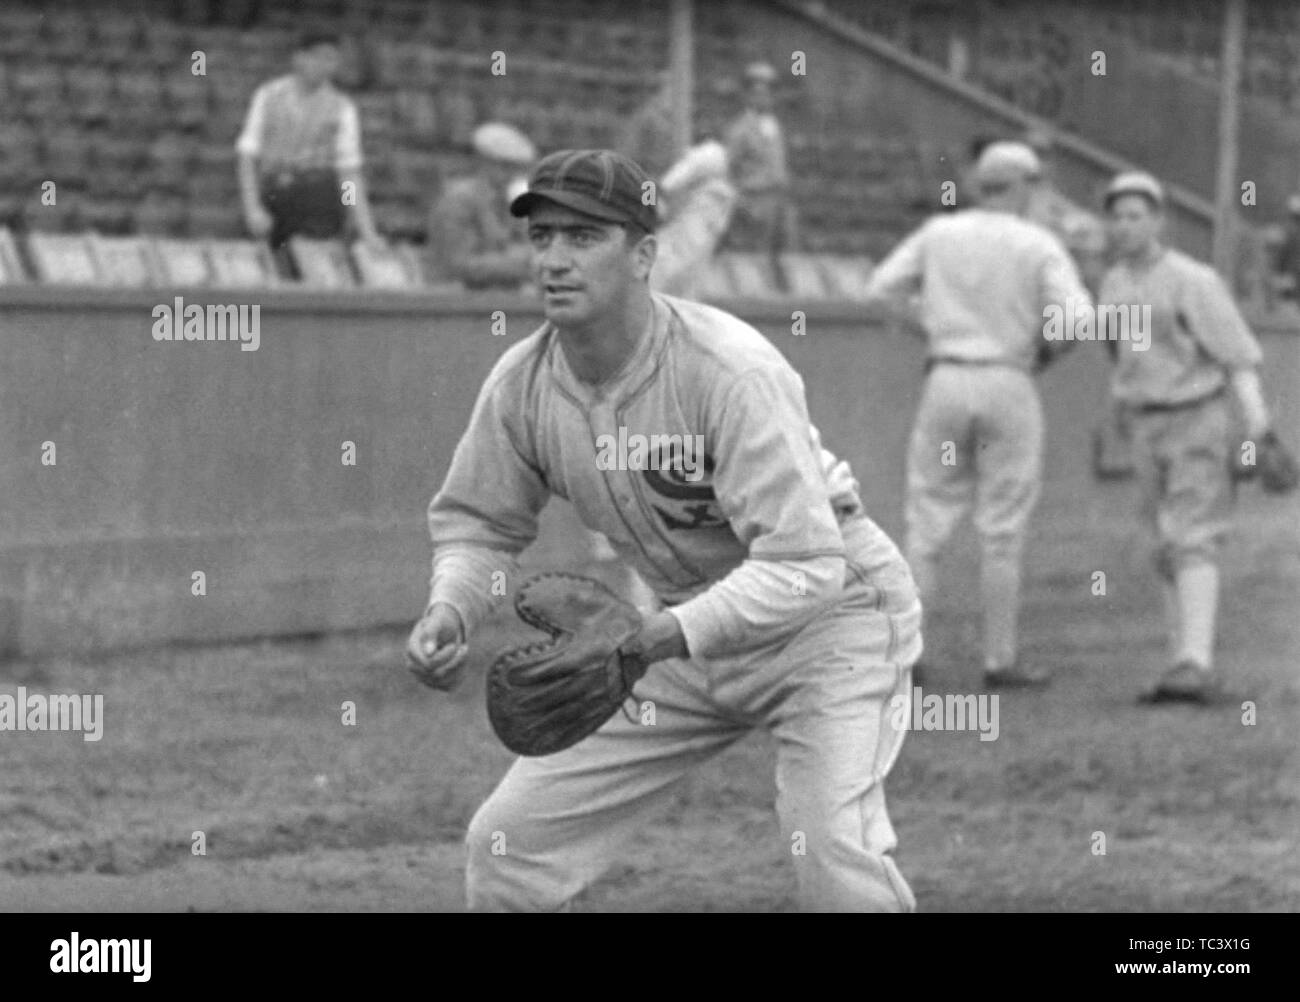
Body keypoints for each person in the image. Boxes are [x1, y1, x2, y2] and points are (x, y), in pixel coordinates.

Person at [406, 149, 922, 912]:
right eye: (542, 236)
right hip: (676, 630)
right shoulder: (522, 385)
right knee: (509, 847)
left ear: (645, 254)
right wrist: (450, 605)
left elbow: (806, 564)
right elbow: (482, 524)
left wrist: (655, 638)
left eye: (583, 238)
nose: (554, 259)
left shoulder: (728, 369)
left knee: (833, 852)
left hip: (831, 620)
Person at [862, 142, 1092, 688]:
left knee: (927, 519)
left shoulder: (940, 233)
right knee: (1003, 527)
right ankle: (999, 658)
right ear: (1026, 186)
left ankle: (908, 655)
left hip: (946, 376)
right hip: (1008, 378)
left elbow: (878, 290)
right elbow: (1079, 319)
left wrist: (931, 328)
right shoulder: (1037, 241)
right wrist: (1044, 350)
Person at [1097, 172, 1274, 704]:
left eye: (1136, 215)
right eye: (1117, 215)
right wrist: (1119, 415)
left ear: (1158, 221)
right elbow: (1118, 352)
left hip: (1197, 414)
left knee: (1192, 535)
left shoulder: (1191, 278)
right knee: (1160, 541)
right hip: (1145, 419)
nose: (1125, 225)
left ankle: (1196, 661)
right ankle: (1181, 659)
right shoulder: (1113, 281)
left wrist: (1259, 426)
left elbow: (1238, 354)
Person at [235, 32, 381, 261]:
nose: (325, 66)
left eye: (332, 60)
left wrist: (363, 227)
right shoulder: (268, 95)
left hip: (318, 198)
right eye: (319, 57)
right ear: (299, 58)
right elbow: (248, 157)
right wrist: (251, 207)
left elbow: (348, 175)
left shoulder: (342, 108)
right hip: (274, 193)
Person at [426, 122, 537, 289]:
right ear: (484, 163)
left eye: (517, 169)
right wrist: (521, 262)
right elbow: (458, 265)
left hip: (501, 300)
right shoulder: (457, 202)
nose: (513, 175)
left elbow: (525, 245)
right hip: (455, 301)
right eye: (506, 167)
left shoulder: (509, 202)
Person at [723, 61, 797, 290]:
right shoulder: (740, 128)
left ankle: (782, 297)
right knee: (756, 255)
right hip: (754, 198)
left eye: (768, 92)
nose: (763, 97)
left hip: (778, 198)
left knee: (783, 252)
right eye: (757, 92)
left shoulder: (775, 125)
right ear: (748, 95)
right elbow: (729, 167)